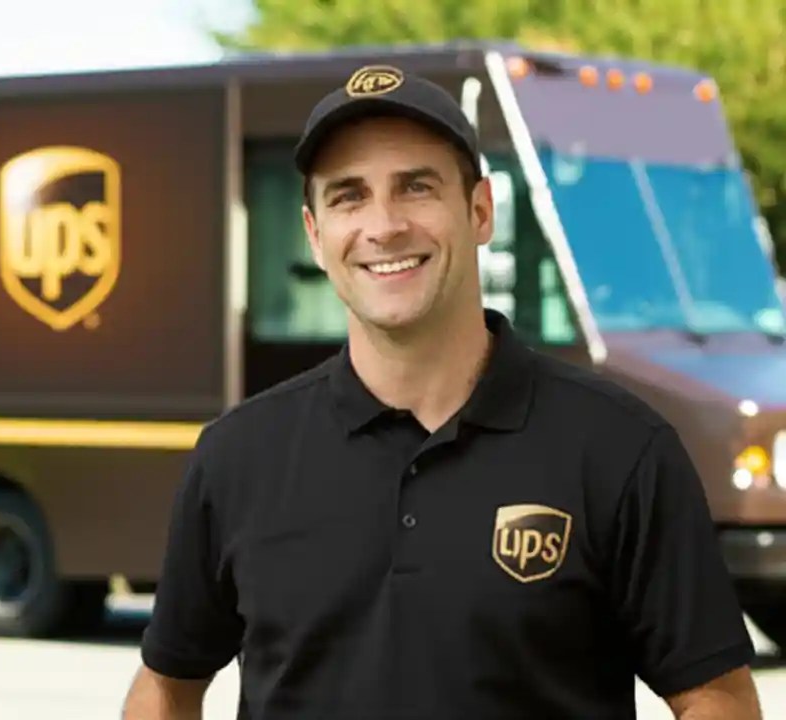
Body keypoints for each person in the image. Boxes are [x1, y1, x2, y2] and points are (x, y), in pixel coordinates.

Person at [121, 64, 763, 719]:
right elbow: (166, 688)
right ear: (315, 236)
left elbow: (718, 699)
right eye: (348, 196)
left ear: (480, 210)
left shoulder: (620, 449)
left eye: (416, 187)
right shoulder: (237, 458)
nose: (384, 225)